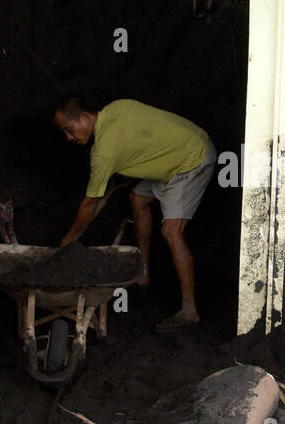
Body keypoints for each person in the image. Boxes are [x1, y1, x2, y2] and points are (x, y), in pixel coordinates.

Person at [54, 96, 215, 331]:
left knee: (171, 231)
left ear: (85, 117)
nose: (69, 137)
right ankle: (143, 273)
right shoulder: (115, 107)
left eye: (69, 130)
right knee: (138, 198)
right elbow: (145, 133)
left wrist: (69, 240)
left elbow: (90, 204)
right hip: (181, 150)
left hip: (192, 159)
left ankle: (189, 311)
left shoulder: (102, 153)